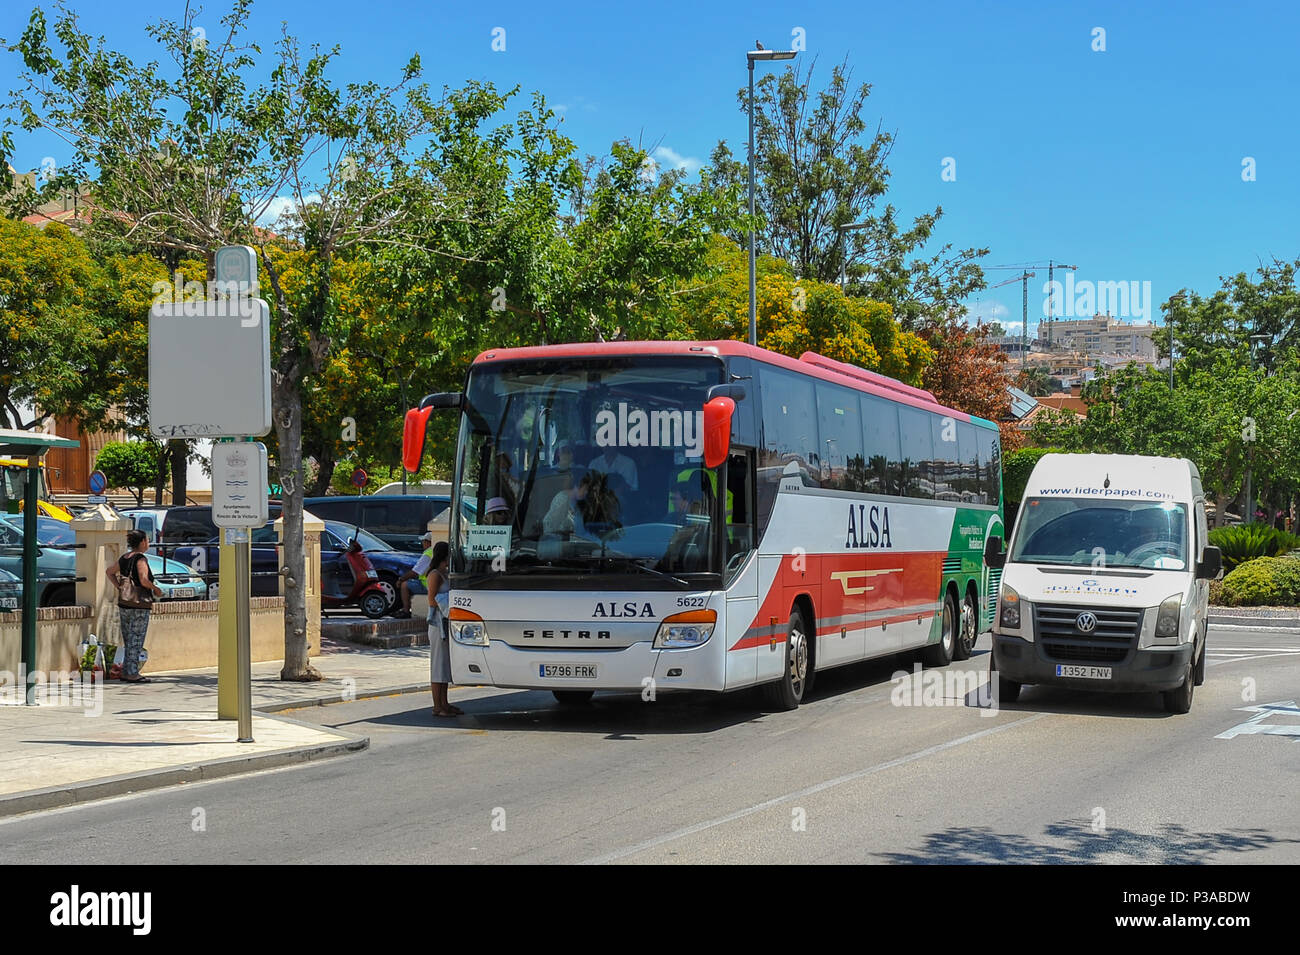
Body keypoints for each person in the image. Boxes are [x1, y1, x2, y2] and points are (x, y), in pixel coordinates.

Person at [105, 529, 163, 683]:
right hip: (139, 604)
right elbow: (143, 580)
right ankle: (132, 673)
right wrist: (156, 589)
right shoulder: (141, 559)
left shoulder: (124, 558)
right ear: (142, 542)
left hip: (124, 603)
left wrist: (119, 586)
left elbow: (109, 571)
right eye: (147, 540)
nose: (148, 543)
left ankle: (126, 671)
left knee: (128, 638)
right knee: (136, 639)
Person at [426, 541, 461, 717]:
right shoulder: (435, 575)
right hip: (438, 623)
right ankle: (437, 706)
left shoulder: (445, 574)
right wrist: (447, 605)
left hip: (447, 623)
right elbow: (432, 599)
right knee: (437, 665)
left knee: (445, 665)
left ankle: (445, 703)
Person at [393, 531, 433, 619]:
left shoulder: (428, 553)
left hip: (426, 584)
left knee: (405, 585)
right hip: (433, 583)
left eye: (423, 541)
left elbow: (415, 572)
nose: (422, 543)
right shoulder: (435, 551)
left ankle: (406, 611)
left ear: (428, 542)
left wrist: (401, 579)